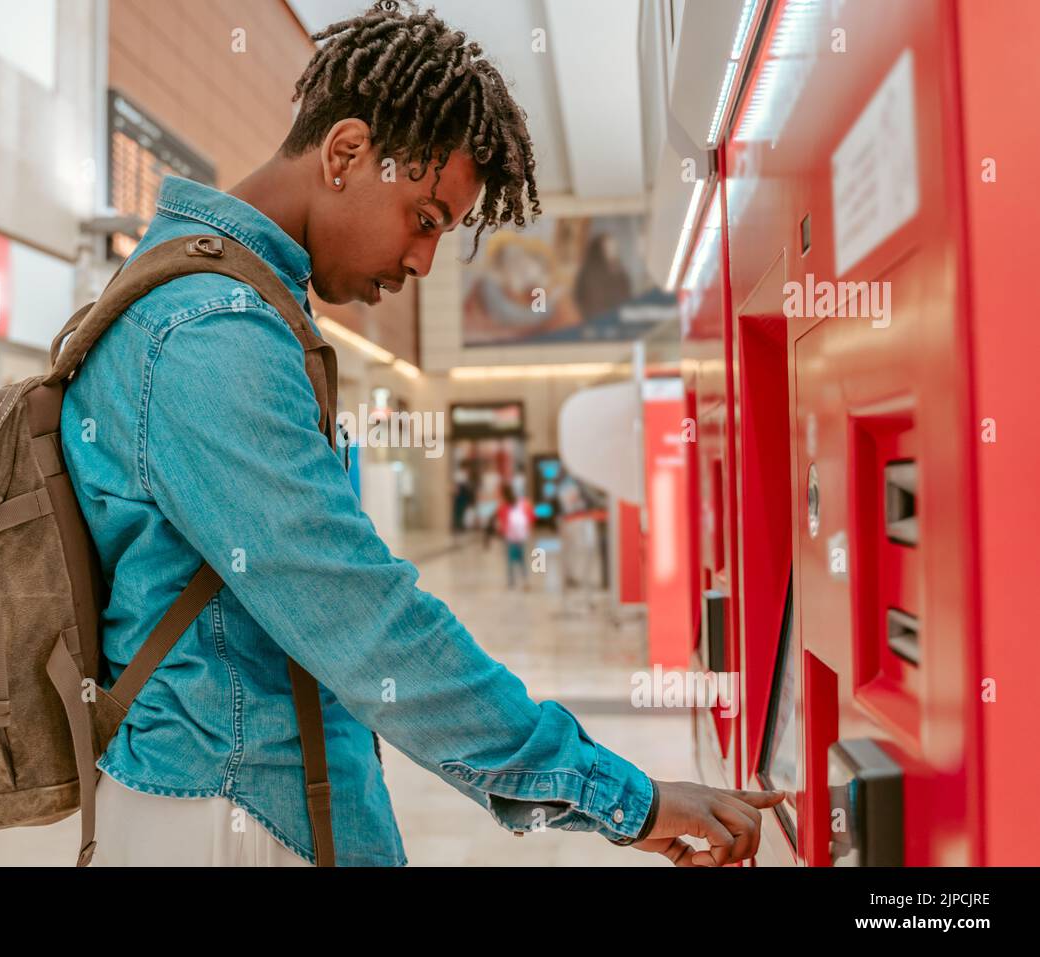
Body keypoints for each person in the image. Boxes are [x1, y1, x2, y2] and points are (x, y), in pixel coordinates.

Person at [62, 0, 783, 867]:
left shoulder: (211, 308)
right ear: (346, 153)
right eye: (427, 217)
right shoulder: (211, 332)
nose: (422, 262)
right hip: (231, 818)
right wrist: (621, 797)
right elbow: (362, 617)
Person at [497, 482, 534, 589]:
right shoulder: (522, 502)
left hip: (510, 536)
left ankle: (511, 582)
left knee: (510, 559)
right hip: (521, 535)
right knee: (522, 559)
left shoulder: (503, 506)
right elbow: (530, 515)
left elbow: (502, 522)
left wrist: (501, 531)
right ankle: (525, 580)